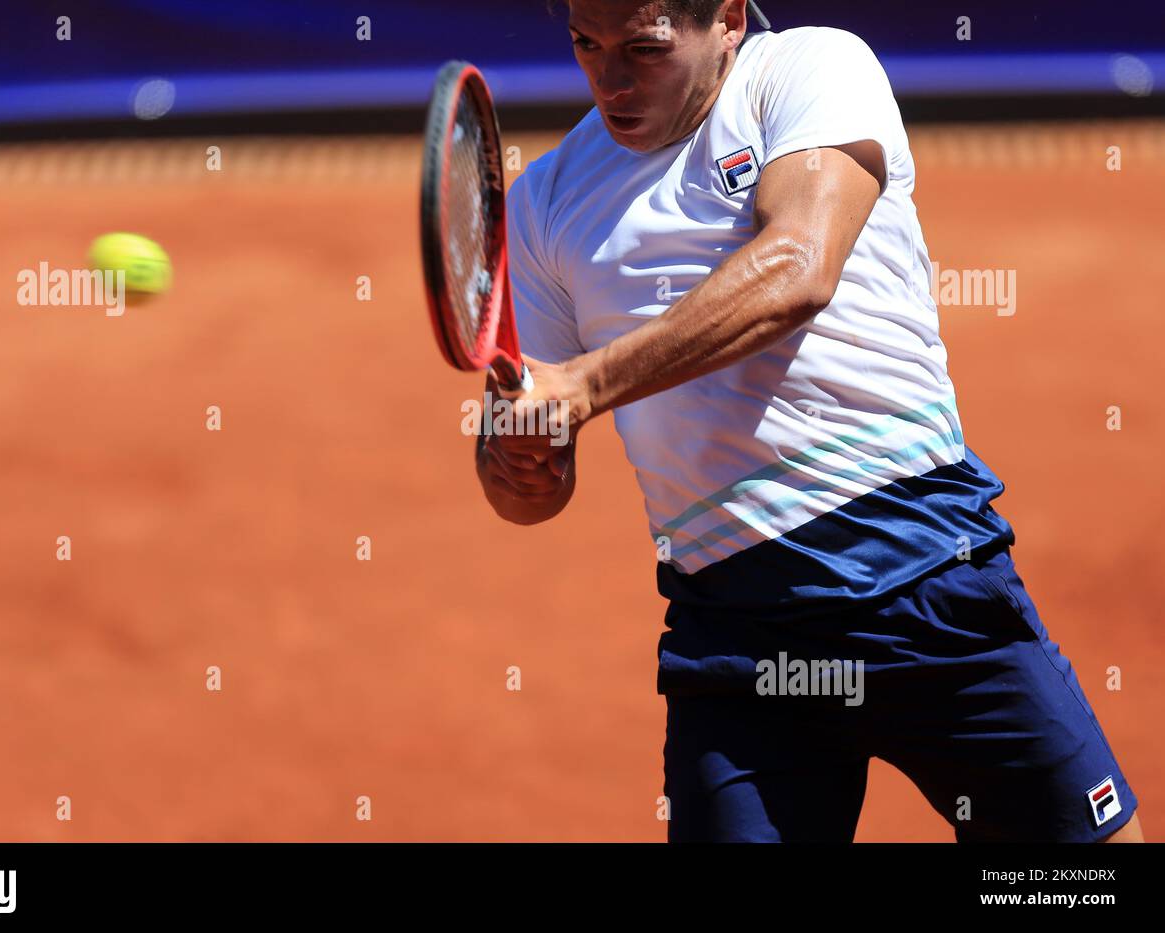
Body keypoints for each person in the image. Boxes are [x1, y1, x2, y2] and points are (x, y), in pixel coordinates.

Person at [474, 0, 1144, 842]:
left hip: (919, 571)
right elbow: (532, 485)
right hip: (736, 634)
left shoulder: (811, 71)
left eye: (644, 48)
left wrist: (584, 383)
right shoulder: (542, 205)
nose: (609, 79)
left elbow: (797, 268)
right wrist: (520, 461)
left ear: (724, 18)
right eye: (585, 44)